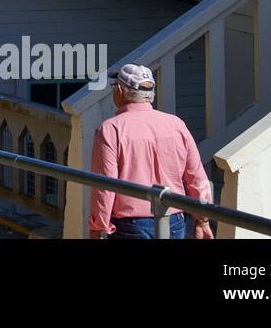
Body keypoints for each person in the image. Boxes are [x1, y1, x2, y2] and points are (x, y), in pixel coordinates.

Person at [89, 63, 214, 240]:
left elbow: (105, 186)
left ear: (119, 90)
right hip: (174, 219)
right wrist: (203, 220)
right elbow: (196, 176)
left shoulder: (110, 129)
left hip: (130, 224)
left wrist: (98, 228)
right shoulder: (176, 125)